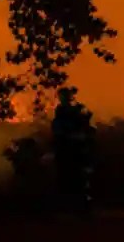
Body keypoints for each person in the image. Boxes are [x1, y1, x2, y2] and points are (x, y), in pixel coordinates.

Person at [51, 87, 95, 215]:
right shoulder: (62, 112)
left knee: (79, 179)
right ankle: (71, 207)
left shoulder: (76, 110)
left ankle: (79, 207)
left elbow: (86, 124)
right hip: (67, 149)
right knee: (67, 178)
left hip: (76, 149)